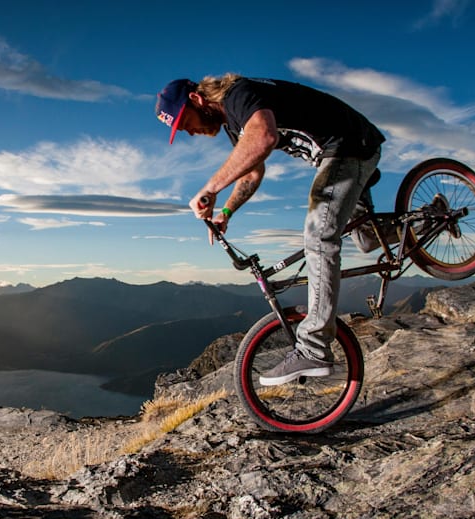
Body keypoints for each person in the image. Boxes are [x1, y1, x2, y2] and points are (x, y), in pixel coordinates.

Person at [155, 74, 385, 385]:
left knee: (319, 235)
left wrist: (210, 189)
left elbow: (263, 137)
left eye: (186, 123)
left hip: (347, 146)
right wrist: (226, 211)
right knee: (368, 238)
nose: (190, 132)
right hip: (348, 148)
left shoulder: (239, 94)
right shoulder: (234, 124)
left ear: (197, 100)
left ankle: (314, 347)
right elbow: (251, 173)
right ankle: (432, 218)